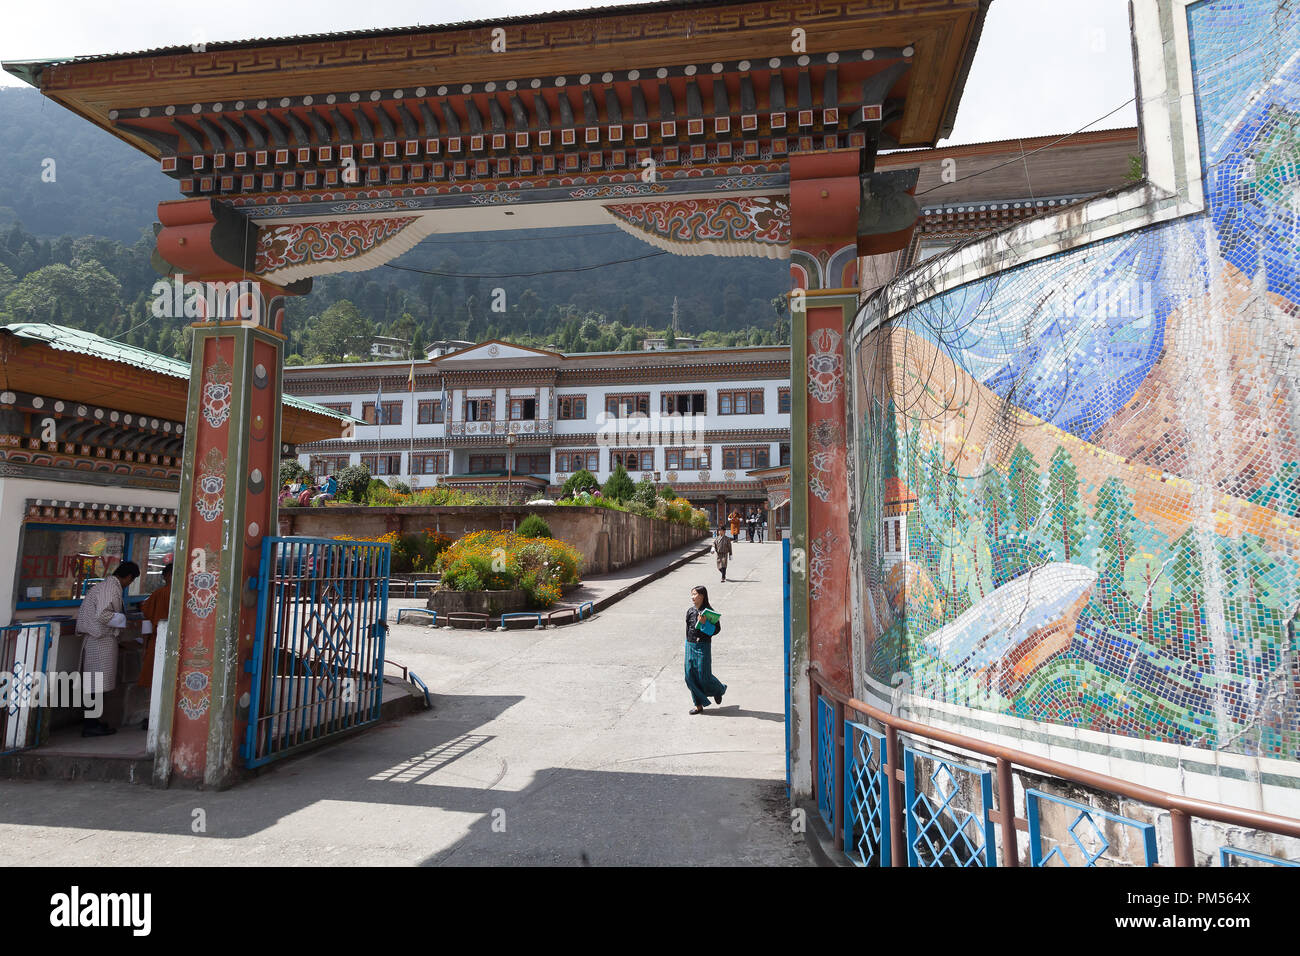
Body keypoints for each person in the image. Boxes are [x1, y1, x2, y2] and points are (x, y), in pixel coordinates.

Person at [75, 561, 140, 737]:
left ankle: (94, 721)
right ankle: (90, 725)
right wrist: (124, 621)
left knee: (97, 683)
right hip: (99, 639)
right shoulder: (109, 588)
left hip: (101, 639)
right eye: (131, 581)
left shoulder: (108, 586)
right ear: (128, 577)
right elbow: (103, 614)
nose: (129, 584)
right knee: (95, 684)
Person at [136, 563, 172, 729]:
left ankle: (153, 716)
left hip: (158, 641)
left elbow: (147, 618)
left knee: (156, 679)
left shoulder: (159, 594)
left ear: (166, 576)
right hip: (177, 642)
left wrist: (144, 644)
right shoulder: (187, 593)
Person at [684, 585, 726, 715]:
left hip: (703, 646)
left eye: (695, 594)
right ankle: (698, 705)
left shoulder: (709, 612)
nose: (692, 597)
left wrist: (704, 623)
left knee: (704, 676)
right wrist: (687, 644)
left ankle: (719, 689)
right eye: (692, 594)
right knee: (689, 676)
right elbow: (687, 629)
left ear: (702, 596)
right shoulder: (690, 611)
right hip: (690, 645)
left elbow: (716, 630)